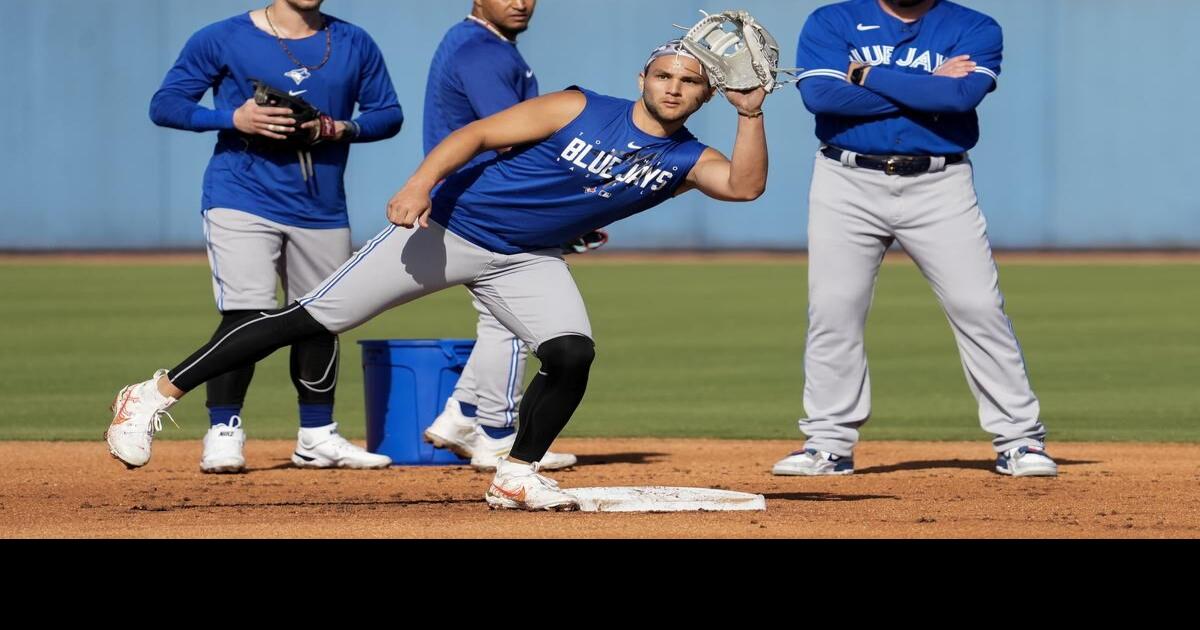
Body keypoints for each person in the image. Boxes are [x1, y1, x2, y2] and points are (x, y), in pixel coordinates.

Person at [104, 40, 768, 510]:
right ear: (643, 76)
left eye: (689, 81)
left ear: (706, 91)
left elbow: (742, 188)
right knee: (308, 318)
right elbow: (476, 135)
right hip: (447, 230)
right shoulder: (578, 106)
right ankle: (154, 392)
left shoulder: (687, 156)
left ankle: (516, 473)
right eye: (663, 76)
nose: (673, 87)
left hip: (526, 259)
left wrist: (751, 113)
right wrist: (419, 183)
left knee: (571, 355)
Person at [771, 0, 1057, 477]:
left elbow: (958, 100)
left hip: (940, 182)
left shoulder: (974, 26)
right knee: (834, 308)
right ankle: (828, 443)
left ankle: (1020, 440)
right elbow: (822, 97)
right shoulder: (832, 20)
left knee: (977, 306)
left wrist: (865, 75)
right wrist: (928, 86)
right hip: (846, 178)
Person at [146, 0, 403, 472]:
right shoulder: (222, 36)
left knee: (322, 315)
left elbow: (388, 114)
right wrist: (232, 119)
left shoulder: (352, 40)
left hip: (321, 204)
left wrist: (340, 126)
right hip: (241, 194)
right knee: (248, 309)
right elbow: (165, 104)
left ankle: (317, 434)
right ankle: (223, 429)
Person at [419, 0, 578, 472]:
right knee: (512, 318)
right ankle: (496, 433)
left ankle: (462, 415)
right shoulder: (483, 52)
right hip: (491, 204)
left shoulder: (480, 43)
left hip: (480, 197)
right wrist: (562, 199)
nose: (520, 1)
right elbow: (512, 136)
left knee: (497, 314)